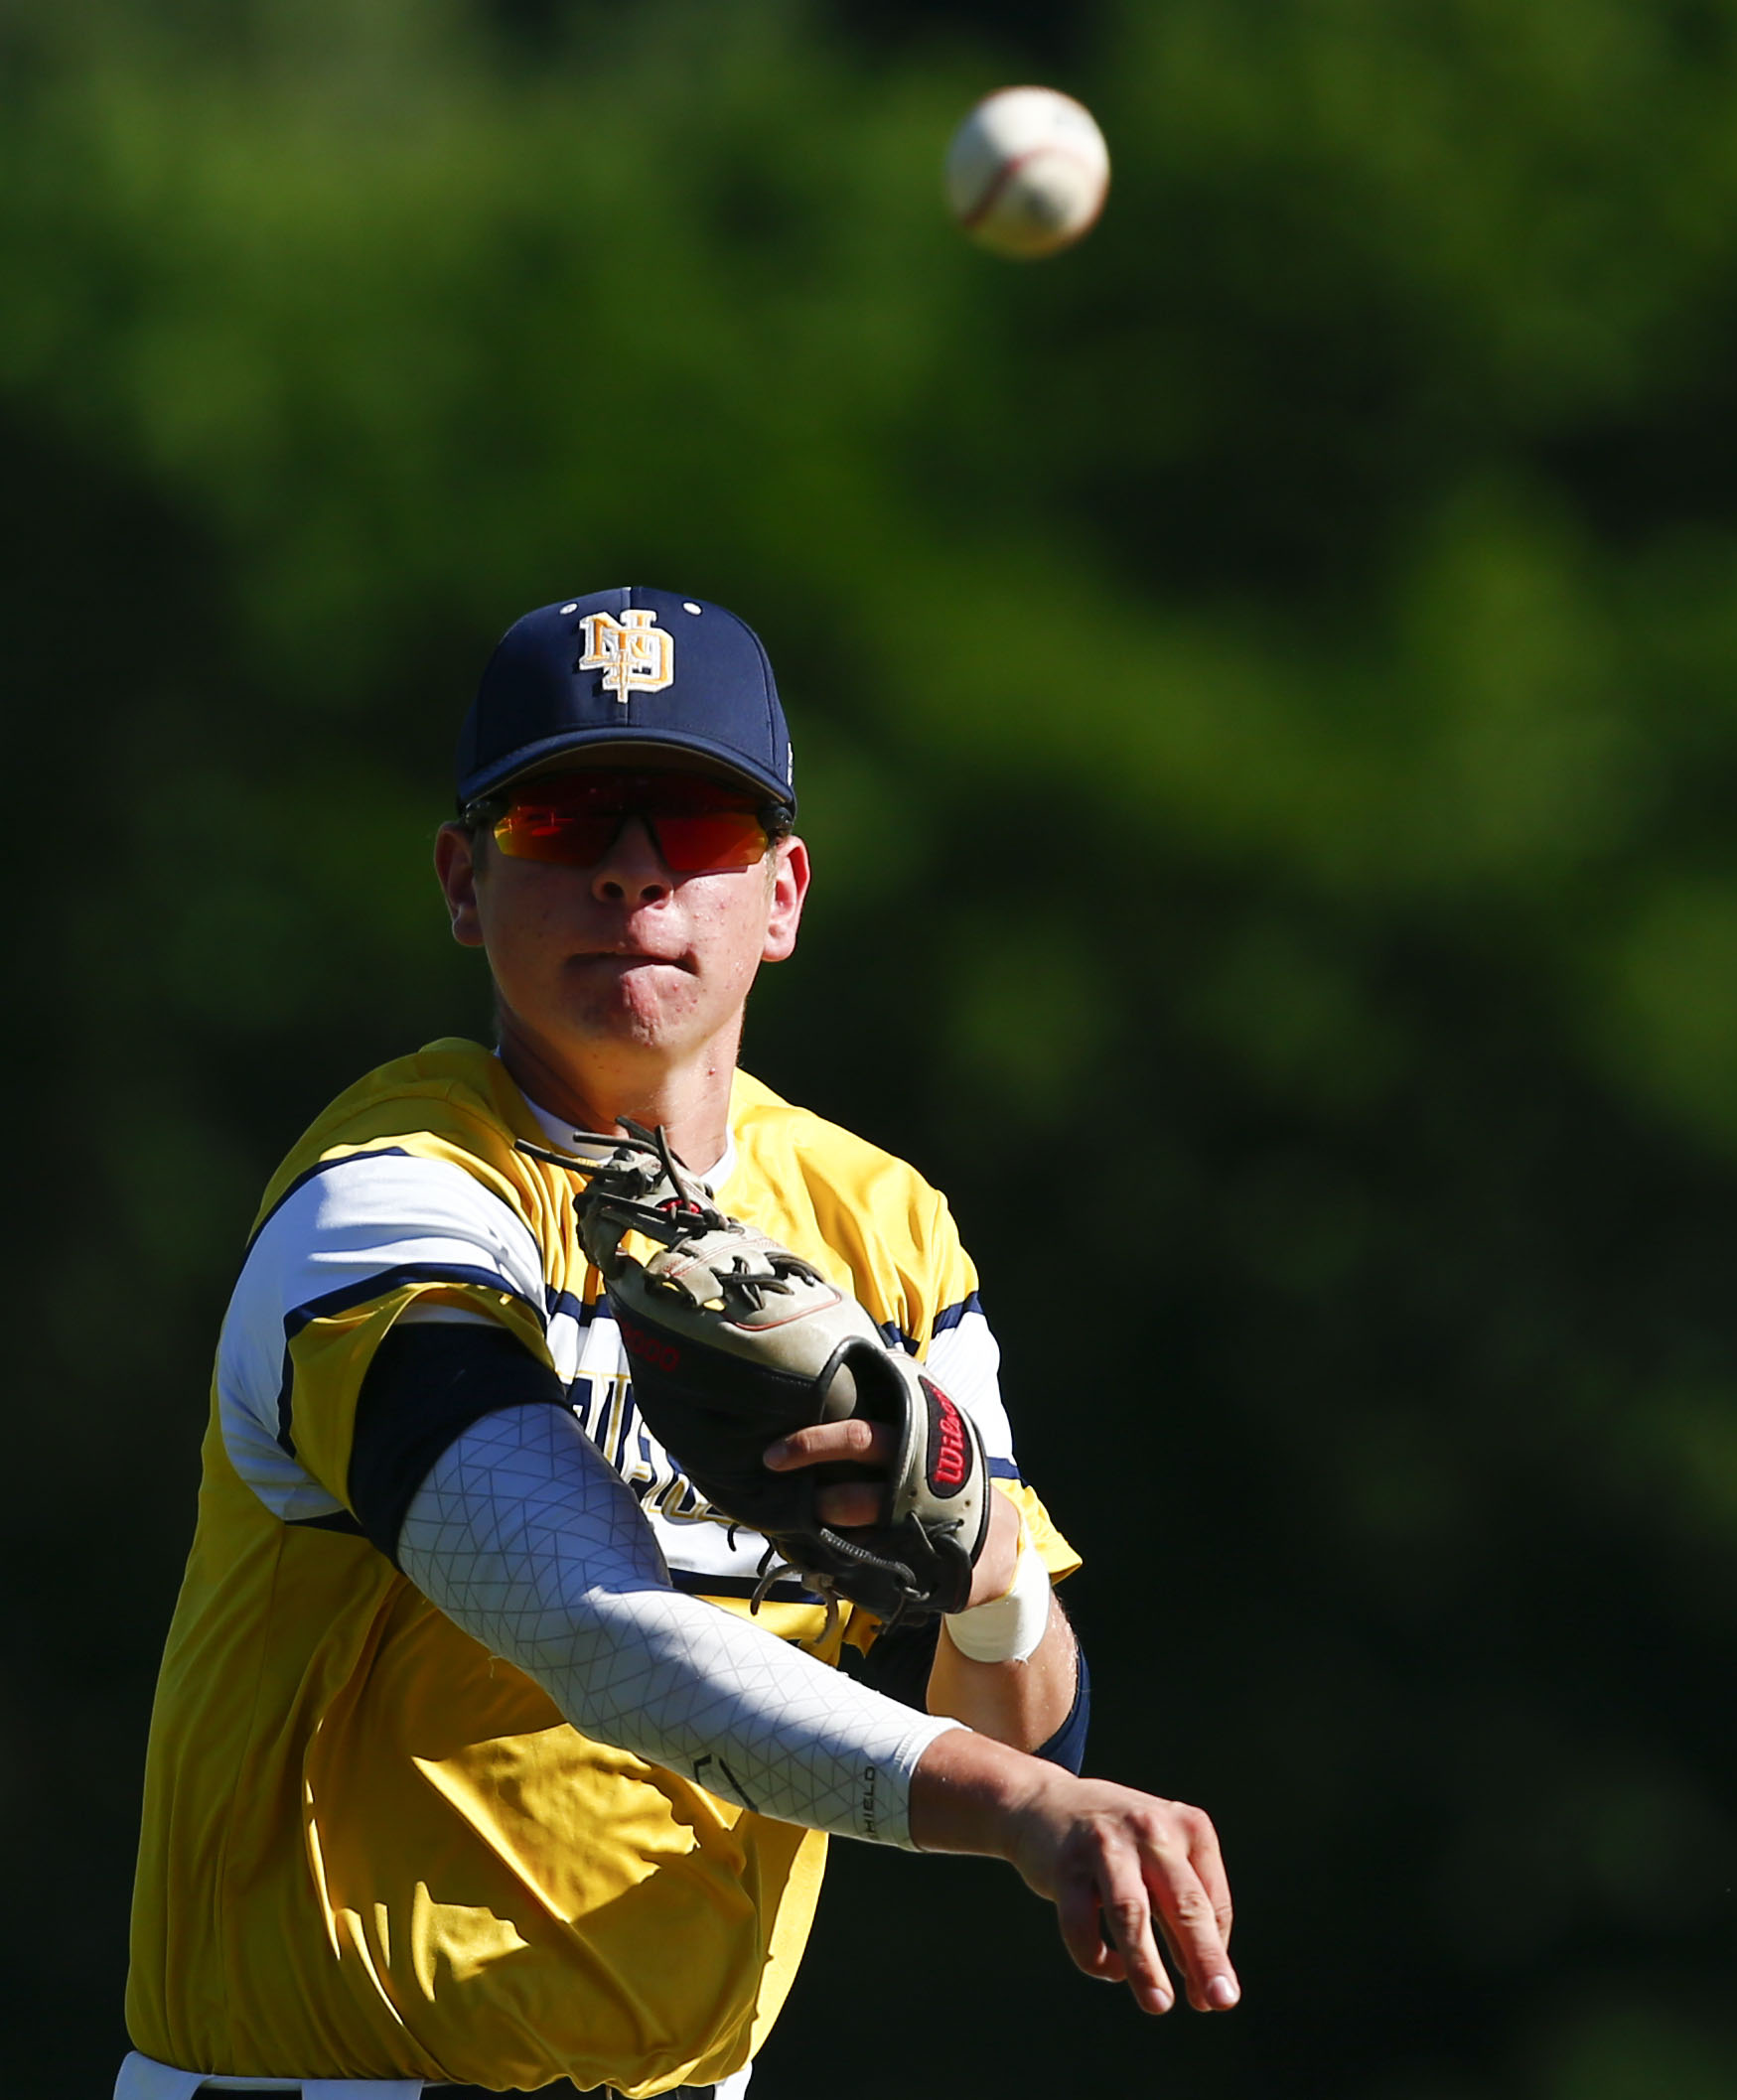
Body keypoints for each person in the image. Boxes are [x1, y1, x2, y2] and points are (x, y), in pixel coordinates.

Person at [119, 587, 1238, 2100]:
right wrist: (1029, 1813)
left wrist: (982, 1577)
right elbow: (598, 1632)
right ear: (462, 879)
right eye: (564, 814)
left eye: (697, 827)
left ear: (779, 897)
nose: (630, 874)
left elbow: (1006, 1712)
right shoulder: (388, 1195)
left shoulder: (879, 1226)